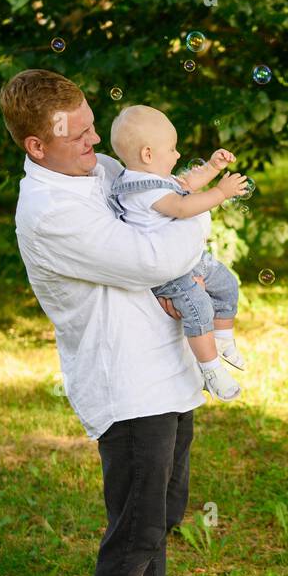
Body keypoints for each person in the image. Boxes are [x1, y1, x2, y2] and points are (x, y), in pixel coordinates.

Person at [0, 69, 223, 576]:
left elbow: (155, 190)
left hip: (166, 368)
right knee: (133, 524)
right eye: (77, 135)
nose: (95, 143)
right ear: (35, 146)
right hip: (124, 382)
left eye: (94, 124)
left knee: (165, 511)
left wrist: (185, 189)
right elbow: (158, 259)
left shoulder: (93, 171)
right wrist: (200, 210)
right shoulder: (49, 214)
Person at [108, 103, 250, 401]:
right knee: (199, 306)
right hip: (167, 271)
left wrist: (212, 168)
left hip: (188, 260)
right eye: (172, 149)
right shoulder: (143, 190)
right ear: (148, 154)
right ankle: (210, 369)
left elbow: (185, 184)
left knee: (226, 283)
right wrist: (220, 193)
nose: (177, 155)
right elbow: (183, 206)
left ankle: (223, 339)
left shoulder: (152, 177)